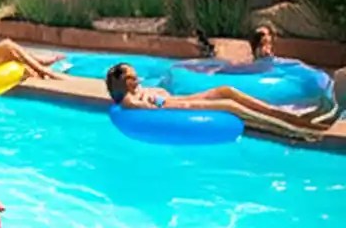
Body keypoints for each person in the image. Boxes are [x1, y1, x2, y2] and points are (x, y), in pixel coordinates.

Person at [104, 63, 332, 140]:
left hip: (178, 100)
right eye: (133, 77)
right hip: (179, 106)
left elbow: (152, 92)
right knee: (229, 106)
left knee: (226, 90)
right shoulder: (128, 101)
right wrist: (157, 99)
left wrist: (153, 92)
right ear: (123, 81)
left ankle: (287, 115)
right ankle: (298, 128)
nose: (138, 80)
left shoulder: (136, 91)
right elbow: (150, 106)